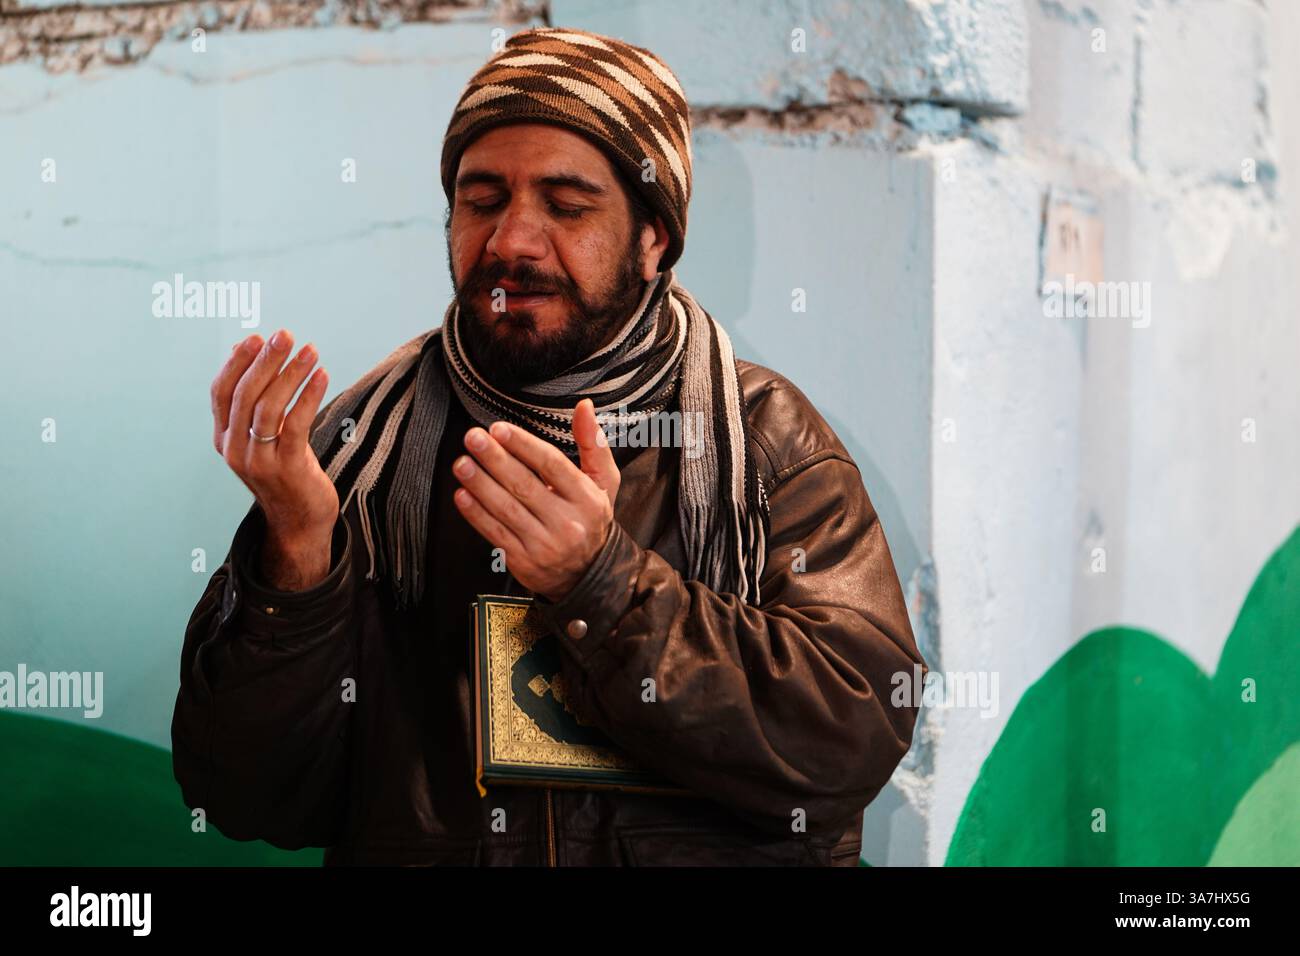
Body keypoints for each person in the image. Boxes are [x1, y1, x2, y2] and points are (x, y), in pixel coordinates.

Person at [171, 26, 926, 866]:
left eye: (567, 207)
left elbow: (844, 746)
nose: (513, 242)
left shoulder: (766, 440)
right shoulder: (361, 447)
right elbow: (248, 796)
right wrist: (298, 553)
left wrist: (602, 584)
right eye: (482, 199)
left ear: (656, 241)